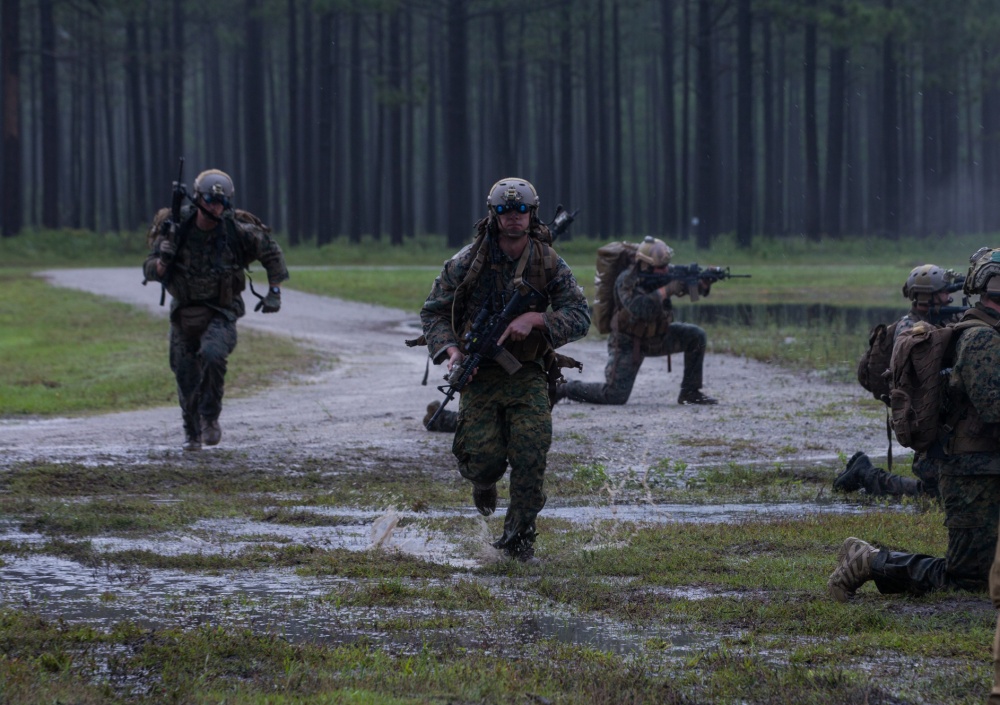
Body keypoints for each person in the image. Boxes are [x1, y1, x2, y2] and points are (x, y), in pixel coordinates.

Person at [420, 177, 590, 563]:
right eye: (503, 210)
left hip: (527, 372)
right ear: (492, 214)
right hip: (479, 376)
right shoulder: (467, 262)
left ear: (532, 214)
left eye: (520, 211)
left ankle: (517, 542)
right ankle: (482, 482)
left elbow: (581, 317)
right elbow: (433, 313)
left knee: (531, 455)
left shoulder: (548, 262)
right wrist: (451, 352)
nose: (512, 217)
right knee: (483, 460)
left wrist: (537, 319)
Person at [829, 247, 1000, 603]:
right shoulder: (982, 340)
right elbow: (994, 409)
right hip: (974, 476)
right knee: (966, 581)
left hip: (986, 468)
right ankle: (868, 561)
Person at [142, 169, 288, 451]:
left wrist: (274, 292)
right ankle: (192, 431)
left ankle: (210, 417)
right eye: (209, 200)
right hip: (184, 313)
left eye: (221, 202)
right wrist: (162, 262)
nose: (215, 207)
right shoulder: (176, 228)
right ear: (198, 199)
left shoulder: (237, 230)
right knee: (185, 373)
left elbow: (272, 252)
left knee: (212, 354)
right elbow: (149, 270)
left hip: (222, 312)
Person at [834, 264, 964, 498]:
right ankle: (867, 475)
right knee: (935, 493)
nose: (949, 297)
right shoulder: (909, 331)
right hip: (922, 415)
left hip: (938, 414)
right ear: (927, 296)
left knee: (943, 488)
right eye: (944, 292)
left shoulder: (945, 318)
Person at [554, 236, 717, 407]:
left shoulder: (664, 273)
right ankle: (565, 388)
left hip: (658, 337)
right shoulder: (626, 280)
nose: (666, 269)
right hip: (628, 343)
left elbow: (689, 289)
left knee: (696, 336)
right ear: (645, 264)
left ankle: (690, 392)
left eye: (666, 265)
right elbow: (639, 307)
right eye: (661, 266)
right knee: (614, 396)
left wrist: (702, 283)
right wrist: (667, 290)